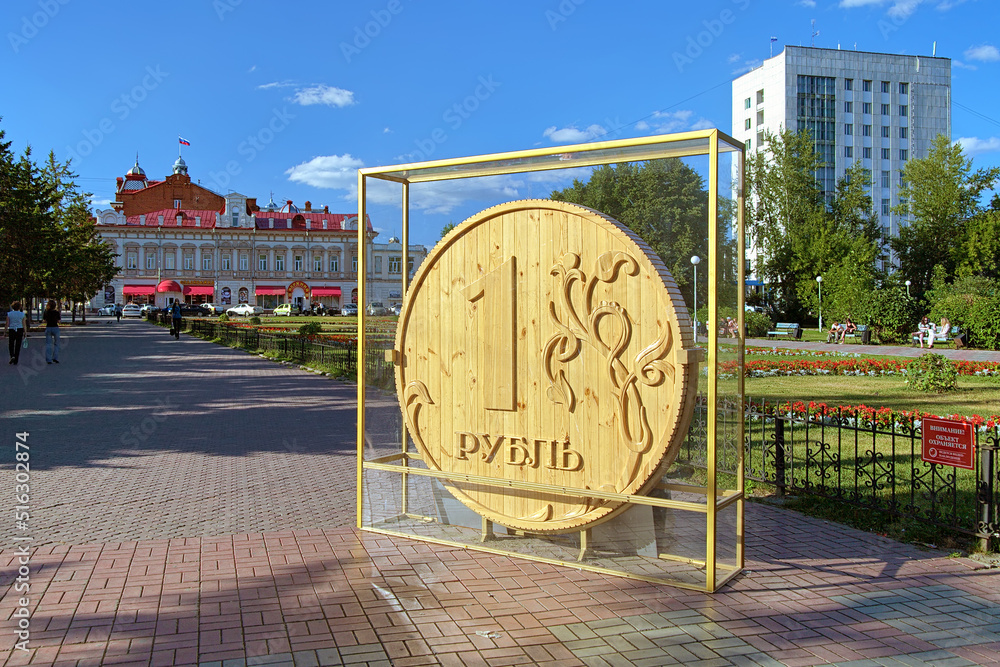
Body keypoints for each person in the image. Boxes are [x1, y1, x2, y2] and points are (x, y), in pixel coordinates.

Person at [6, 301, 28, 365]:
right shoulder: (22, 314)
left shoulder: (9, 314)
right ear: (19, 307)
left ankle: (12, 355)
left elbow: (7, 323)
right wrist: (25, 332)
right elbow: (24, 324)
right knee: (18, 345)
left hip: (12, 329)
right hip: (19, 329)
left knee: (11, 343)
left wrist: (5, 332)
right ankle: (16, 359)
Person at [43, 299, 61, 364]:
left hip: (48, 328)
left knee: (48, 344)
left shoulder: (46, 312)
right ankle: (55, 358)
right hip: (55, 328)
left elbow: (44, 320)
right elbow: (59, 321)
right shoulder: (56, 312)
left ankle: (48, 359)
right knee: (56, 344)